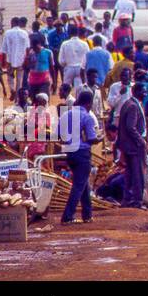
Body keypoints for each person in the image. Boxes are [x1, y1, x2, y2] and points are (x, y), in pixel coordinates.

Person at [58, 89, 102, 225]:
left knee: (83, 184)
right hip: (82, 154)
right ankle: (67, 216)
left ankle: (87, 215)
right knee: (78, 186)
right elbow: (91, 138)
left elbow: (59, 135)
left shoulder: (65, 115)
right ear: (89, 104)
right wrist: (100, 138)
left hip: (69, 154)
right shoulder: (87, 117)